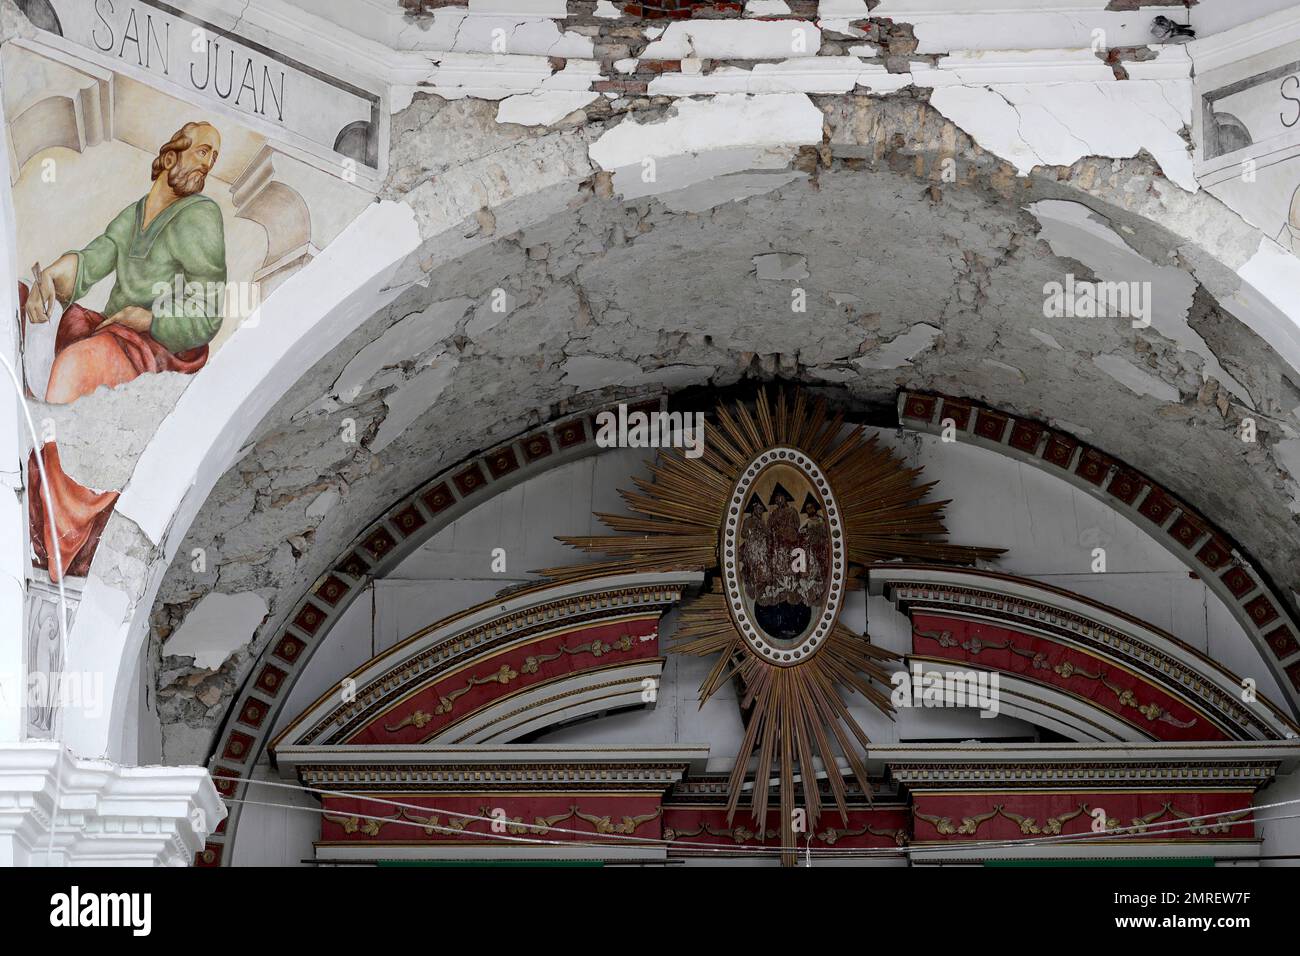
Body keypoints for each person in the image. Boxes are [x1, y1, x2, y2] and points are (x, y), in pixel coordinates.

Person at [21, 121, 226, 581]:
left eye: (213, 157)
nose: (207, 164)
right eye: (202, 152)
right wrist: (51, 281)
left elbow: (209, 315)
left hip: (159, 350)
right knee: (19, 301)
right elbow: (94, 258)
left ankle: (60, 531)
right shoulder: (136, 215)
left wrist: (148, 320)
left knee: (77, 365)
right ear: (170, 156)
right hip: (119, 332)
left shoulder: (201, 217)